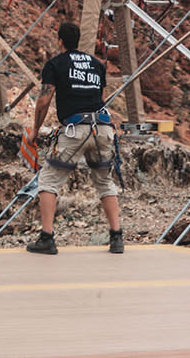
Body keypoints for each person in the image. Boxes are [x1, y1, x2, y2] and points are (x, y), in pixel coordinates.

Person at [27, 21, 123, 255]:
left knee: (49, 181)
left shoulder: (55, 64)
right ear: (78, 40)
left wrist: (34, 131)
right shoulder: (97, 65)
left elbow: (44, 100)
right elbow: (99, 96)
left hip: (75, 130)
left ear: (60, 40)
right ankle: (116, 237)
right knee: (104, 182)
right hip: (102, 128)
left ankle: (47, 237)